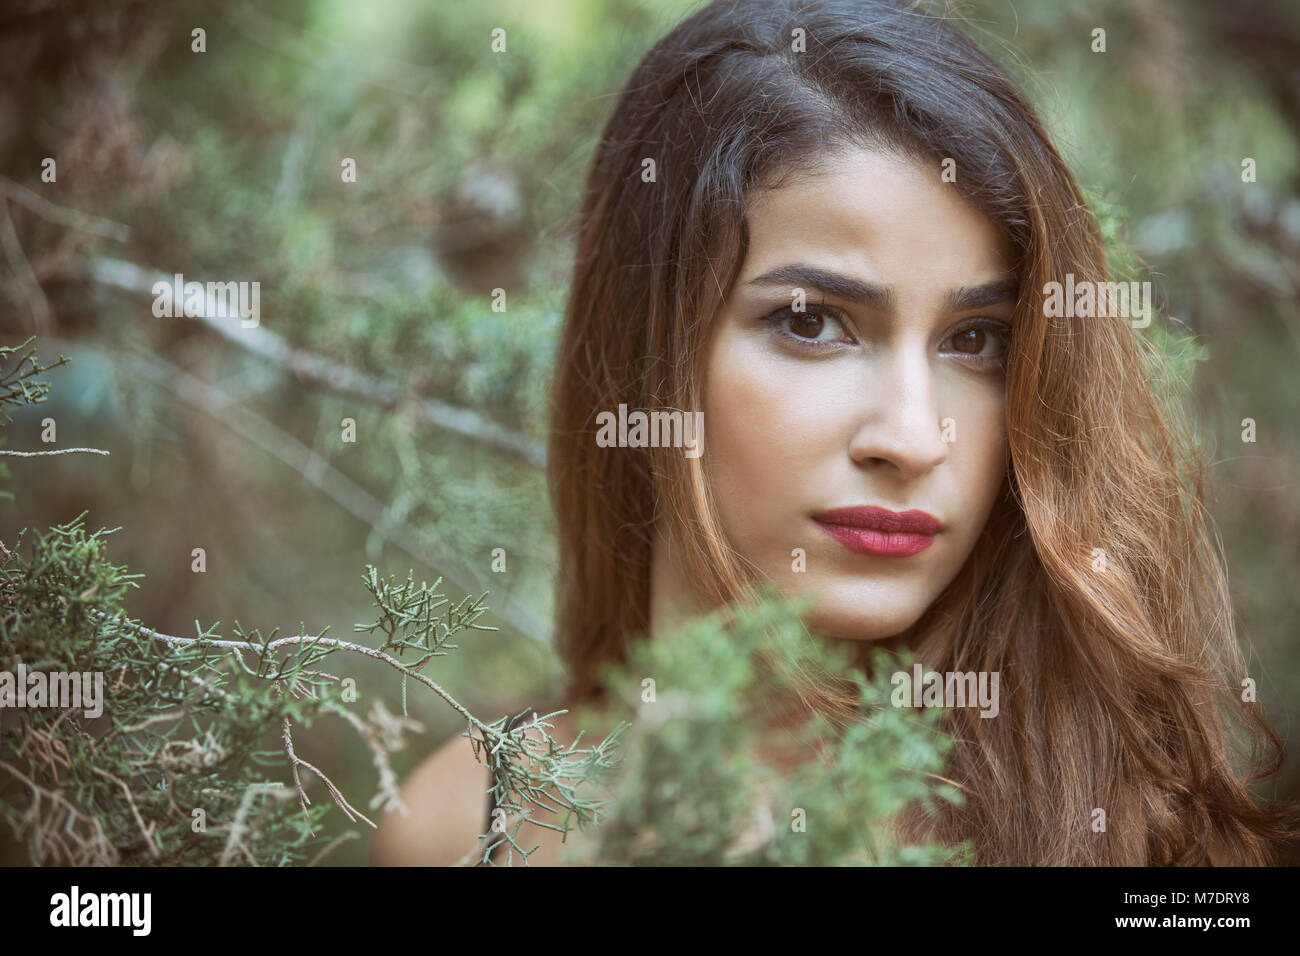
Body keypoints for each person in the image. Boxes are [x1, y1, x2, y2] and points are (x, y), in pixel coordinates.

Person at [372, 0, 1292, 866]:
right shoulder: (463, 824)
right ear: (645, 346)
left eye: (977, 341)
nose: (912, 437)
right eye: (812, 324)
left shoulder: (1142, 829)